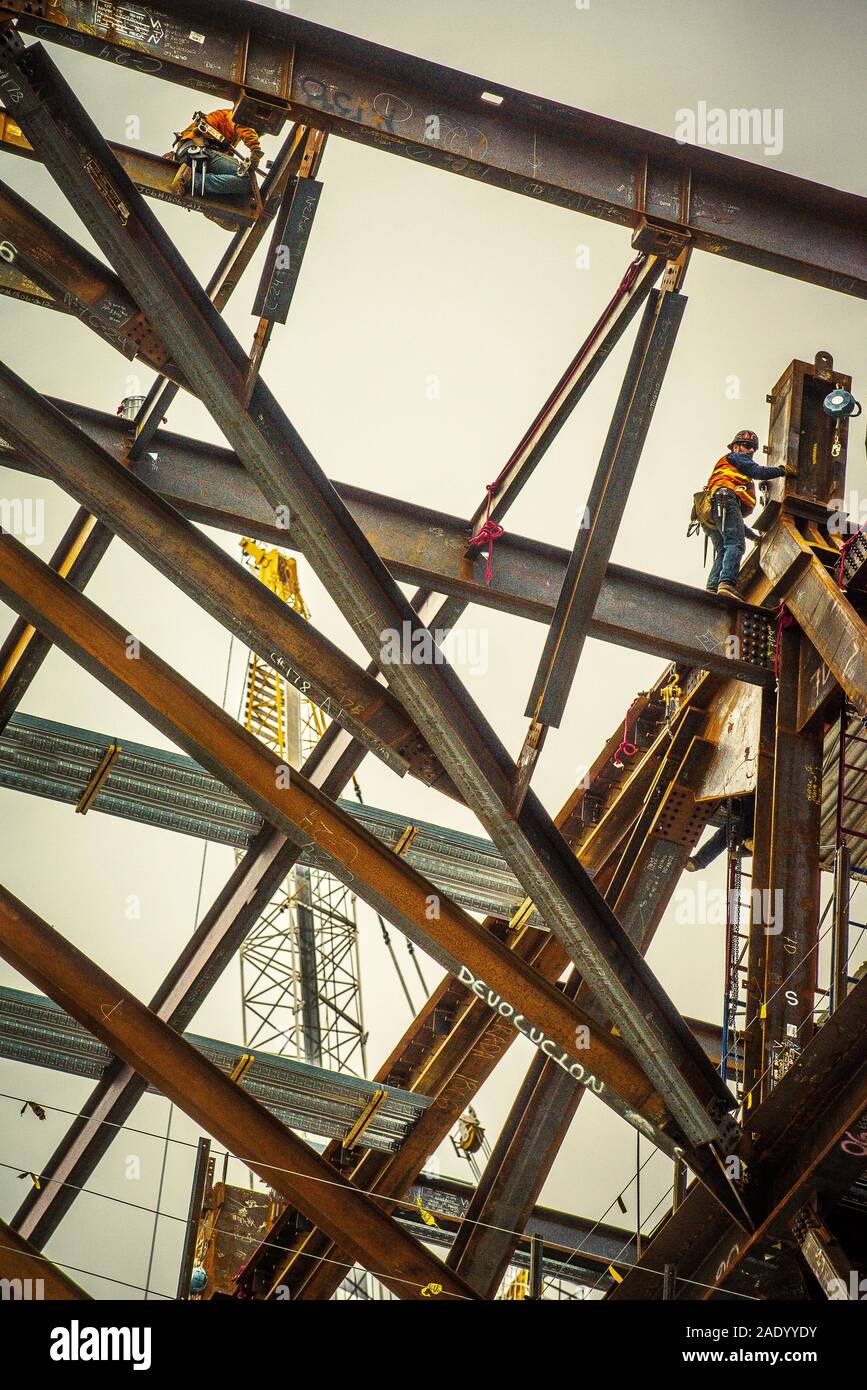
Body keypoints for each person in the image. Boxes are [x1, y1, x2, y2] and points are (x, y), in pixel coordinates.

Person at [705, 430, 796, 598]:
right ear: (735, 447)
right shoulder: (736, 457)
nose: (750, 451)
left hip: (714, 510)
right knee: (736, 544)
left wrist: (754, 537)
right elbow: (759, 472)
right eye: (747, 446)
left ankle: (712, 589)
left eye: (753, 448)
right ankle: (726, 583)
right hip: (725, 500)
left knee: (724, 549)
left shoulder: (729, 471)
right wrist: (782, 470)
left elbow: (736, 523)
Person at [166, 109, 263, 200]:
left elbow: (225, 161)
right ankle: (192, 180)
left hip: (188, 154)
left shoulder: (226, 134)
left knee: (236, 183)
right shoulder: (235, 115)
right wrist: (255, 150)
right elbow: (243, 127)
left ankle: (191, 176)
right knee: (247, 179)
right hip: (199, 150)